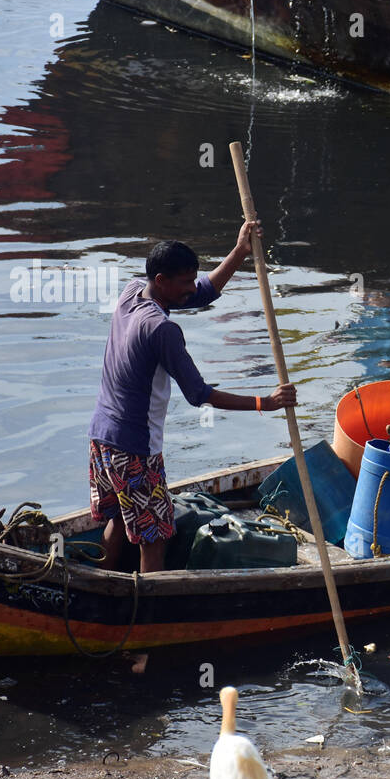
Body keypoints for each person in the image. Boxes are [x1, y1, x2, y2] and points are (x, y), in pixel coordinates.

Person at [88, 221, 296, 575]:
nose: (189, 290)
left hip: (102, 437)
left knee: (120, 520)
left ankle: (103, 580)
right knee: (154, 537)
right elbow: (199, 394)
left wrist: (240, 252)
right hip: (135, 449)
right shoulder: (162, 329)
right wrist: (266, 402)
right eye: (182, 283)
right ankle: (150, 607)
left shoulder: (132, 292)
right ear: (161, 281)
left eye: (190, 279)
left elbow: (202, 292)